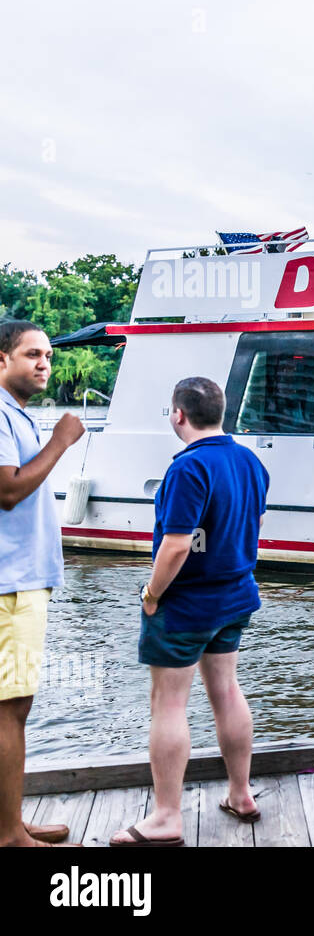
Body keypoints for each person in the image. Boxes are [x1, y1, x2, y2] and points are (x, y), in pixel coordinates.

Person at [110, 378, 270, 846]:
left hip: (186, 604)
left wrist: (151, 593)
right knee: (225, 690)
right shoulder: (249, 461)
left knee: (169, 703)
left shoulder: (188, 469)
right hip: (235, 597)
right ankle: (241, 794)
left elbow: (177, 544)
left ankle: (165, 817)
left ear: (178, 415)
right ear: (221, 411)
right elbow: (255, 522)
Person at [0, 321, 85, 848]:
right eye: (32, 354)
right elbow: (7, 491)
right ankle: (10, 835)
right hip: (9, 583)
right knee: (9, 708)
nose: (44, 363)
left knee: (16, 707)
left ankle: (9, 817)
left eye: (48, 355)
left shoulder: (16, 415)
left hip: (22, 580)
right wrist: (60, 441)